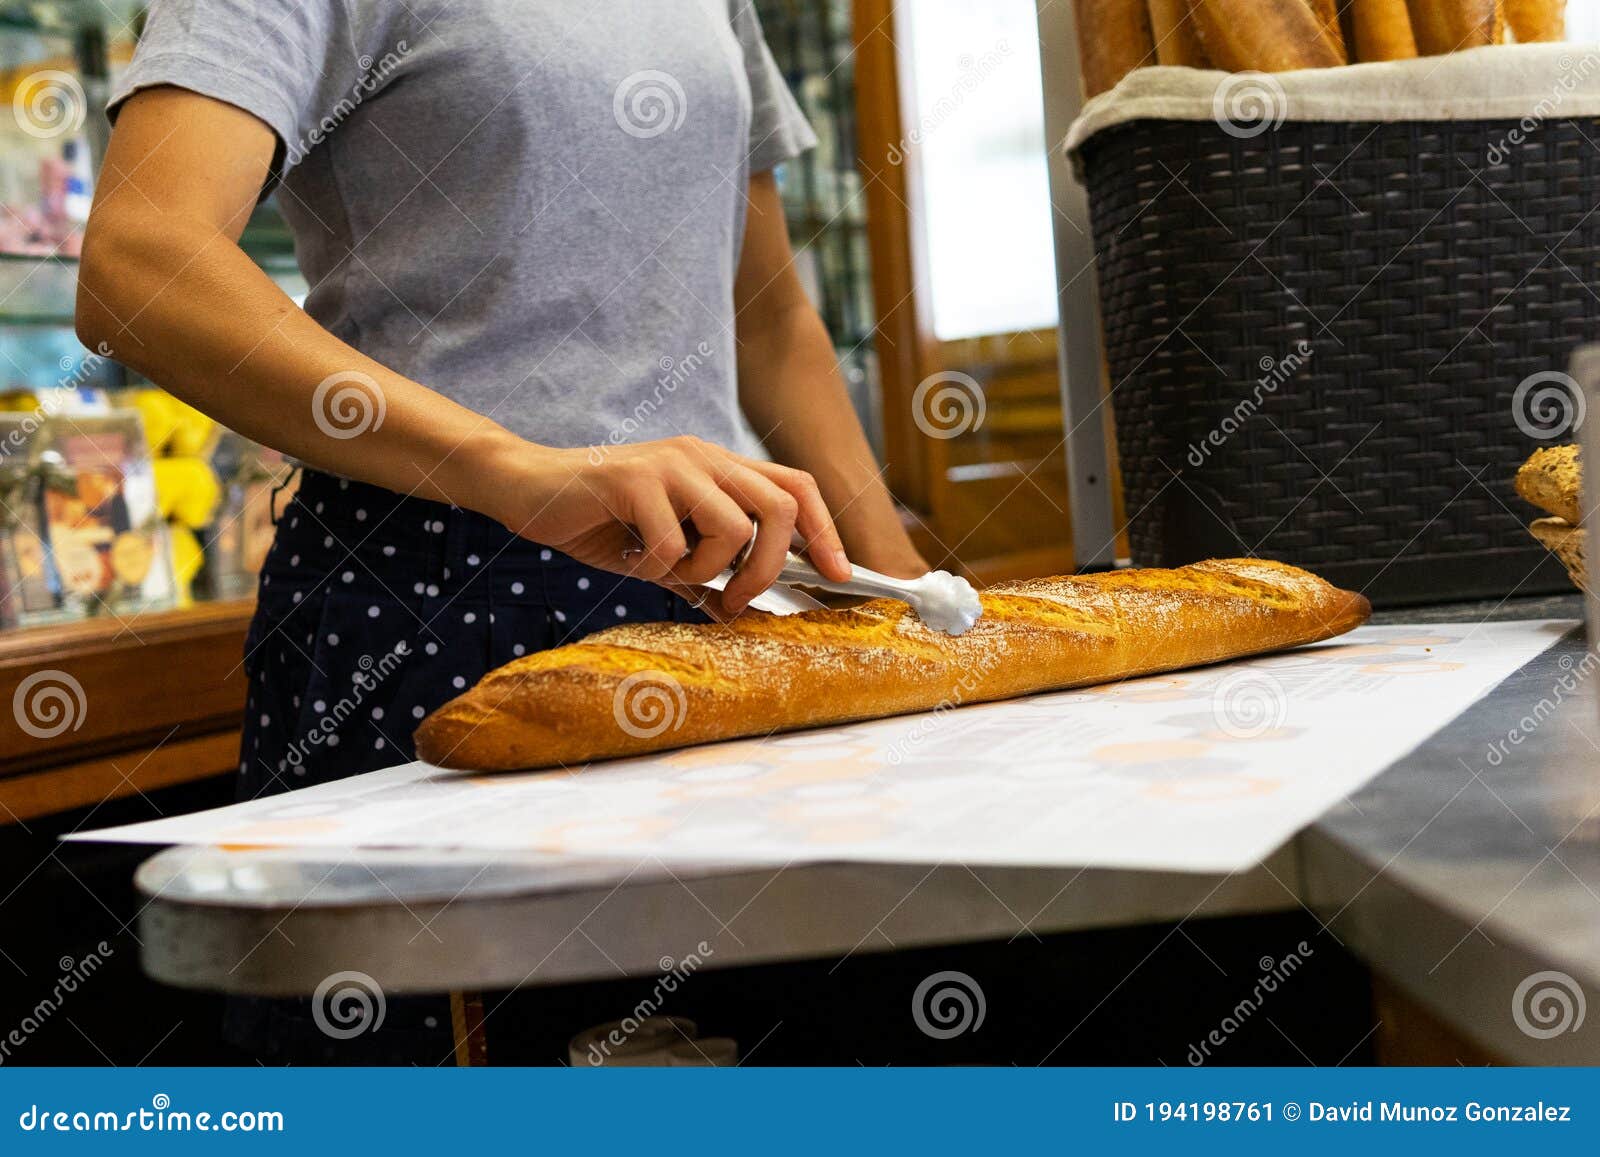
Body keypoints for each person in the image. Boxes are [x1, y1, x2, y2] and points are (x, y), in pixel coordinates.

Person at [77, 0, 928, 1062]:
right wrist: (514, 468)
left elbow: (767, 314)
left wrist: (901, 592)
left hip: (721, 605)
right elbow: (137, 261)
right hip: (429, 607)